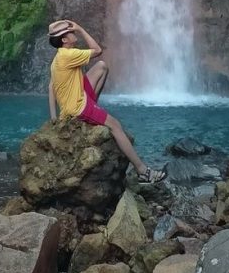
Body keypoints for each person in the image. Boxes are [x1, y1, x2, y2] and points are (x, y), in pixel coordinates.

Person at [47, 18, 167, 184]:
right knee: (115, 125)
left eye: (74, 30)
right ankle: (143, 171)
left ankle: (94, 109)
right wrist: (81, 28)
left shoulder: (58, 59)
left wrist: (54, 118)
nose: (73, 33)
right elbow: (97, 49)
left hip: (77, 99)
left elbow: (51, 87)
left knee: (101, 67)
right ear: (64, 40)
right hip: (78, 107)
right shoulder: (68, 55)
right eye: (70, 32)